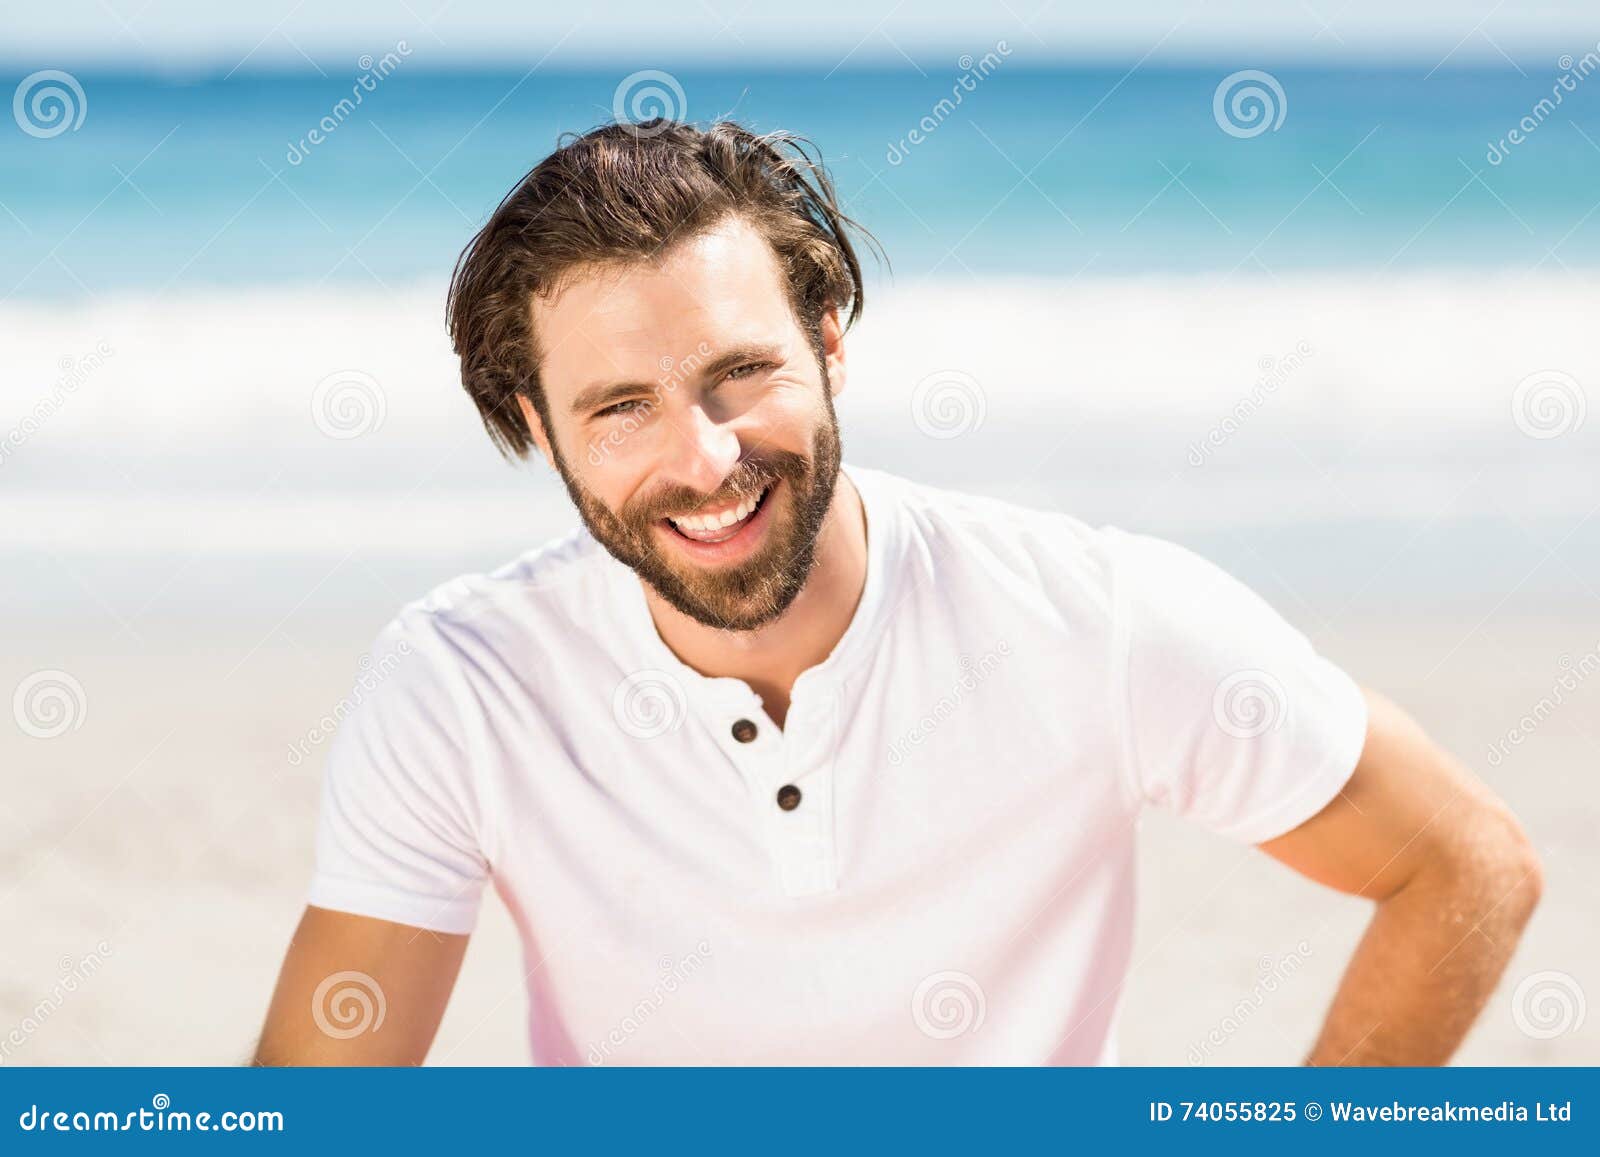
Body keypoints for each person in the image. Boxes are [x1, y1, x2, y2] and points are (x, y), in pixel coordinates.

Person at [254, 120, 1541, 1066]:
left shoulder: (1087, 619)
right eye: (621, 407)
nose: (703, 458)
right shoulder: (462, 684)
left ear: (828, 343)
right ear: (539, 425)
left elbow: (1461, 861)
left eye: (740, 372)